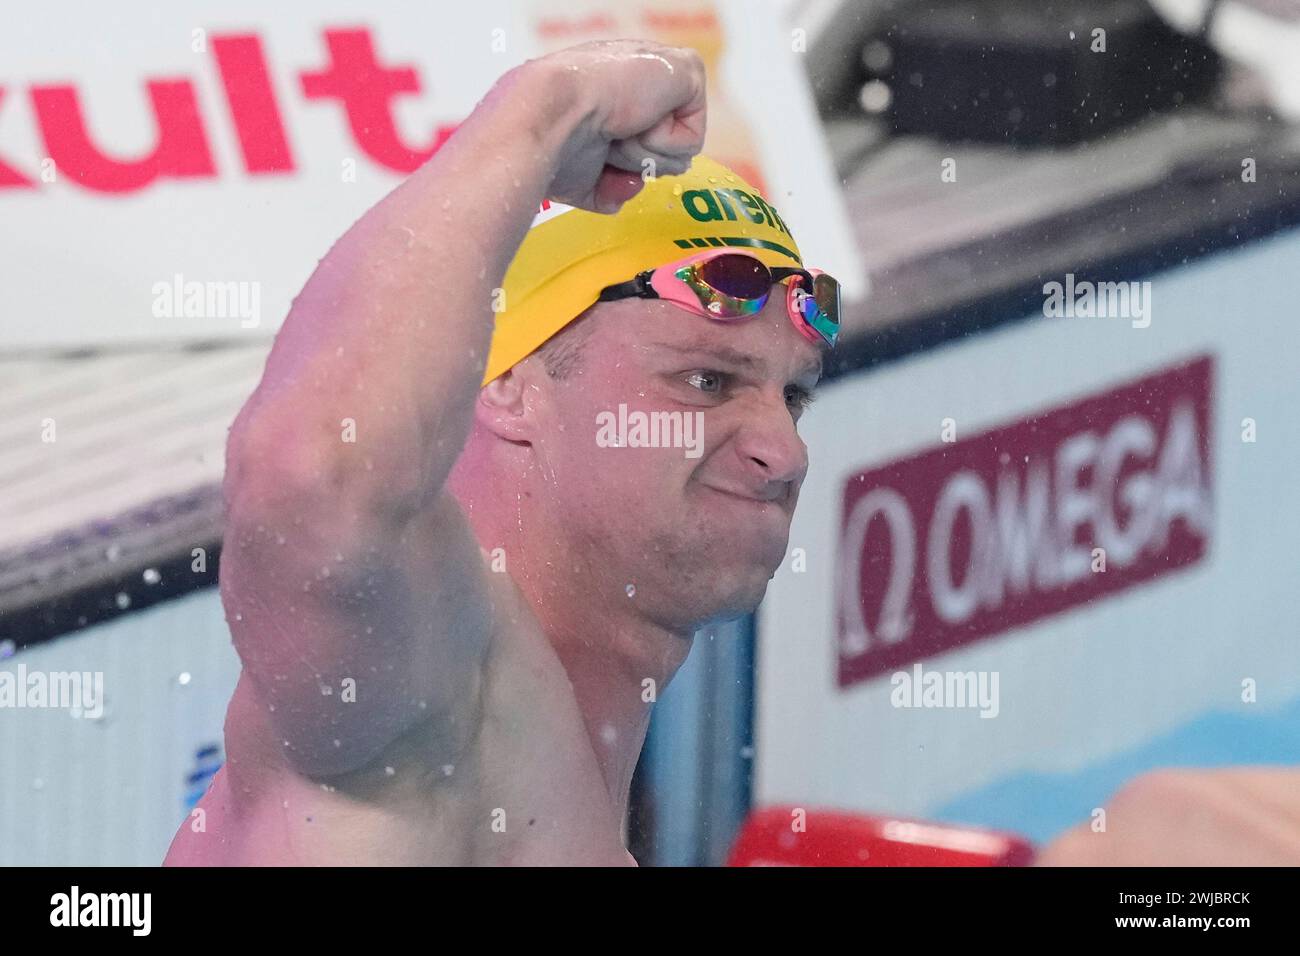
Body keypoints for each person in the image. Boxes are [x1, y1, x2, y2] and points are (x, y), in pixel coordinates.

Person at [165, 38, 834, 865]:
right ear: (510, 384)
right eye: (705, 381)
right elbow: (310, 473)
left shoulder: (567, 766)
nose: (783, 449)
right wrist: (544, 112)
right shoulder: (429, 682)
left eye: (793, 395)